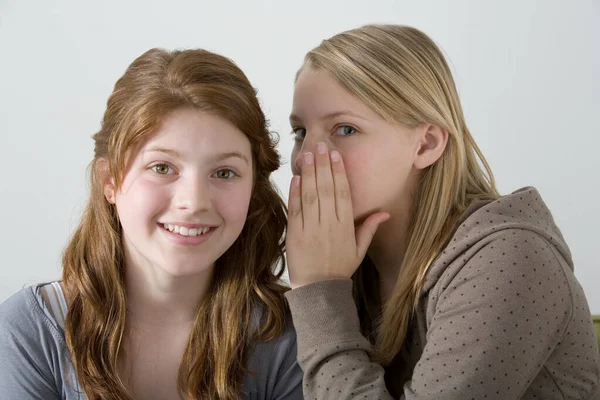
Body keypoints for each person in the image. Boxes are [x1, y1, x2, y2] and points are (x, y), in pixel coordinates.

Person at [284, 24, 600, 399]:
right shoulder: (348, 262)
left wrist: (319, 293)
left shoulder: (511, 258)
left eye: (345, 129)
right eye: (301, 132)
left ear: (426, 144)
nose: (306, 159)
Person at [0, 48, 302, 400]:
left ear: (253, 188)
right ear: (109, 179)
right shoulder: (29, 330)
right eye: (162, 168)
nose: (194, 202)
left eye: (224, 173)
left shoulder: (285, 335)